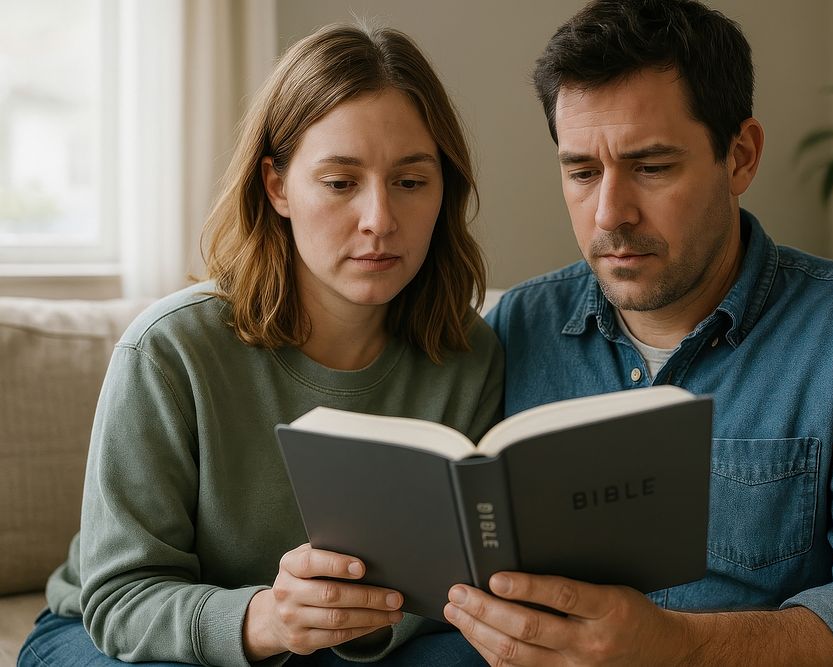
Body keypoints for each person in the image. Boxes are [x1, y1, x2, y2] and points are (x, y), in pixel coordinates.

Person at [443, 1, 833, 665]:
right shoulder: (513, 330)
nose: (610, 212)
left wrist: (679, 647)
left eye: (651, 166)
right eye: (582, 171)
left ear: (741, 156)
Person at [19, 23, 498, 667]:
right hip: (129, 638)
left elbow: (455, 581)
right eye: (339, 182)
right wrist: (265, 620)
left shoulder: (469, 355)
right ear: (277, 186)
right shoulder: (169, 351)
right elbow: (120, 599)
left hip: (357, 646)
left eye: (411, 182)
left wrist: (354, 622)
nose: (379, 219)